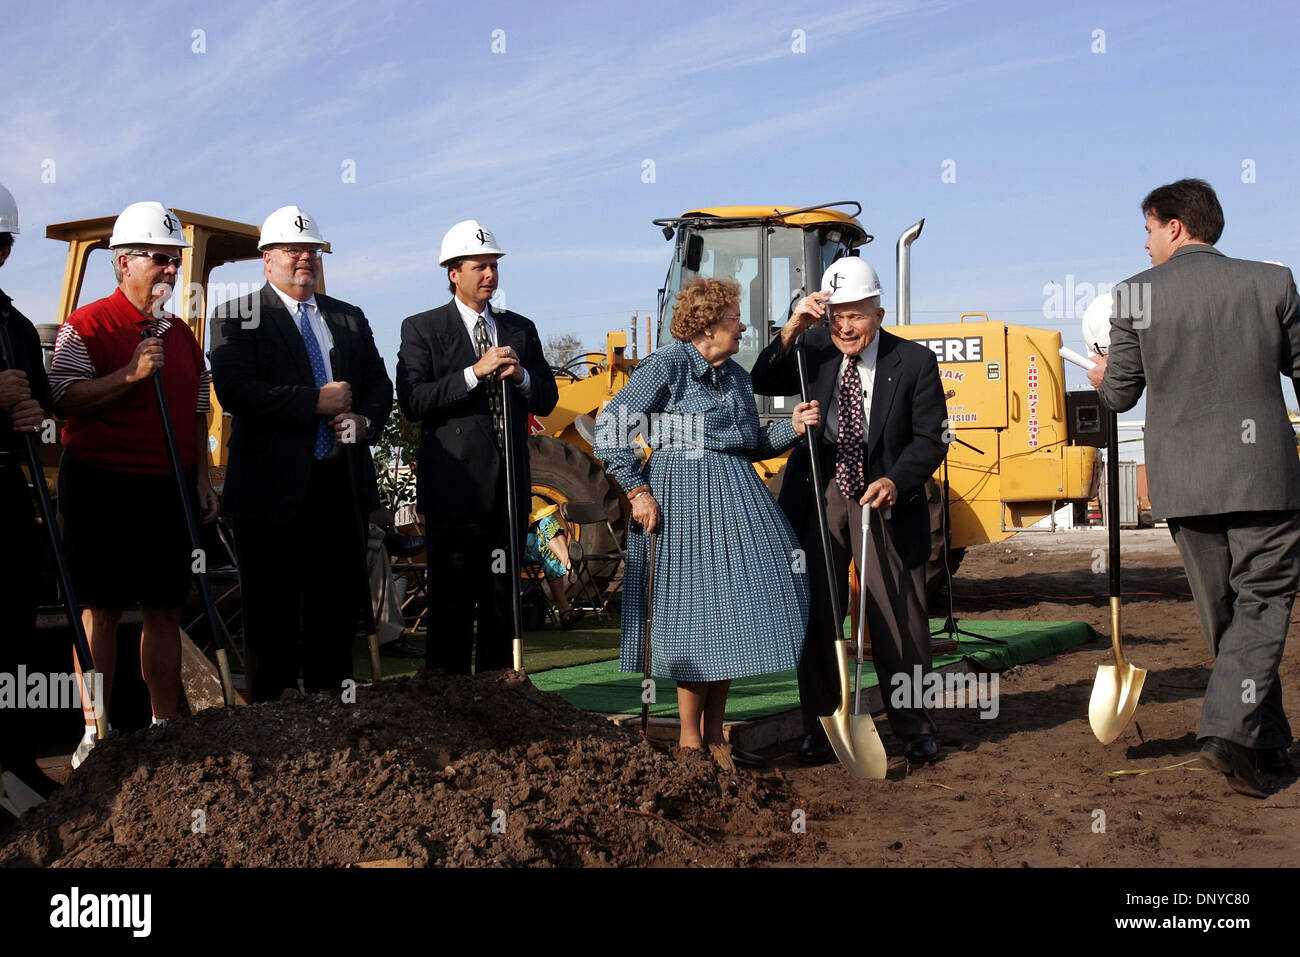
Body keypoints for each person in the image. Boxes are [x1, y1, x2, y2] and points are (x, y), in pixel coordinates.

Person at [1088, 178, 1300, 797]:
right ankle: (1239, 732)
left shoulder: (1133, 296)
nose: (1146, 242)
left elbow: (1121, 395)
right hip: (1266, 479)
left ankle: (1255, 741)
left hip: (1184, 485)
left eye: (1149, 229)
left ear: (1175, 227)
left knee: (1229, 617)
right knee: (1261, 609)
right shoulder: (1274, 283)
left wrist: (1103, 374)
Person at [594, 277, 819, 770]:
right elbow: (610, 427)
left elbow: (750, 444)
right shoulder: (668, 365)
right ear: (709, 323)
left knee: (731, 617)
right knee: (694, 623)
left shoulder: (737, 376)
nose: (743, 326)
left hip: (737, 499)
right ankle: (690, 745)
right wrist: (637, 490)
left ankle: (717, 740)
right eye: (735, 317)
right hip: (680, 504)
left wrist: (793, 427)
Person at [751, 257, 946, 766]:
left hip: (883, 491)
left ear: (878, 312)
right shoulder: (811, 348)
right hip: (819, 487)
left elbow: (931, 440)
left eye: (855, 315)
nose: (844, 326)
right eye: (836, 314)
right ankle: (823, 724)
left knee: (897, 610)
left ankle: (915, 726)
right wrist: (794, 324)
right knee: (818, 608)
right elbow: (762, 378)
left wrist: (896, 481)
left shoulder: (916, 363)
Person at [49, 202, 218, 766]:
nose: (170, 271)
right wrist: (129, 377)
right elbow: (63, 398)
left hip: (166, 486)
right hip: (100, 482)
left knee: (166, 607)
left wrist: (201, 478)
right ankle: (96, 734)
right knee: (97, 608)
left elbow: (197, 408)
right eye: (159, 259)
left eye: (175, 261)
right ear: (123, 263)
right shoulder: (88, 323)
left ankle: (163, 725)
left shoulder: (182, 336)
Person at [210, 206, 392, 702]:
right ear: (267, 259)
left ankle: (332, 709)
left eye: (311, 250)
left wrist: (363, 422)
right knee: (270, 611)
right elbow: (236, 390)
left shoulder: (347, 317)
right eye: (293, 250)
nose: (304, 259)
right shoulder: (236, 315)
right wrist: (313, 401)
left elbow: (378, 384)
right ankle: (274, 718)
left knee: (333, 608)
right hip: (270, 493)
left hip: (338, 485)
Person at [396, 220, 558, 674]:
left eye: (494, 266)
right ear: (453, 272)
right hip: (455, 492)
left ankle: (498, 697)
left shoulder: (519, 329)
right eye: (479, 266)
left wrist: (522, 376)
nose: (490, 274)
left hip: (507, 490)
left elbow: (547, 395)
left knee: (501, 603)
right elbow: (413, 401)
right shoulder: (422, 329)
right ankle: (445, 705)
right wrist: (474, 372)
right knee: (451, 605)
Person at [0, 183, 60, 796]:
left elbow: (45, 413)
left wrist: (32, 419)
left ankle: (14, 766)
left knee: (13, 630)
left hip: (6, 488)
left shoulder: (14, 326)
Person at [524, 499, 583, 629]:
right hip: (507, 544)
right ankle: (568, 564)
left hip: (527, 537)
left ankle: (567, 563)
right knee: (550, 546)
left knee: (549, 539)